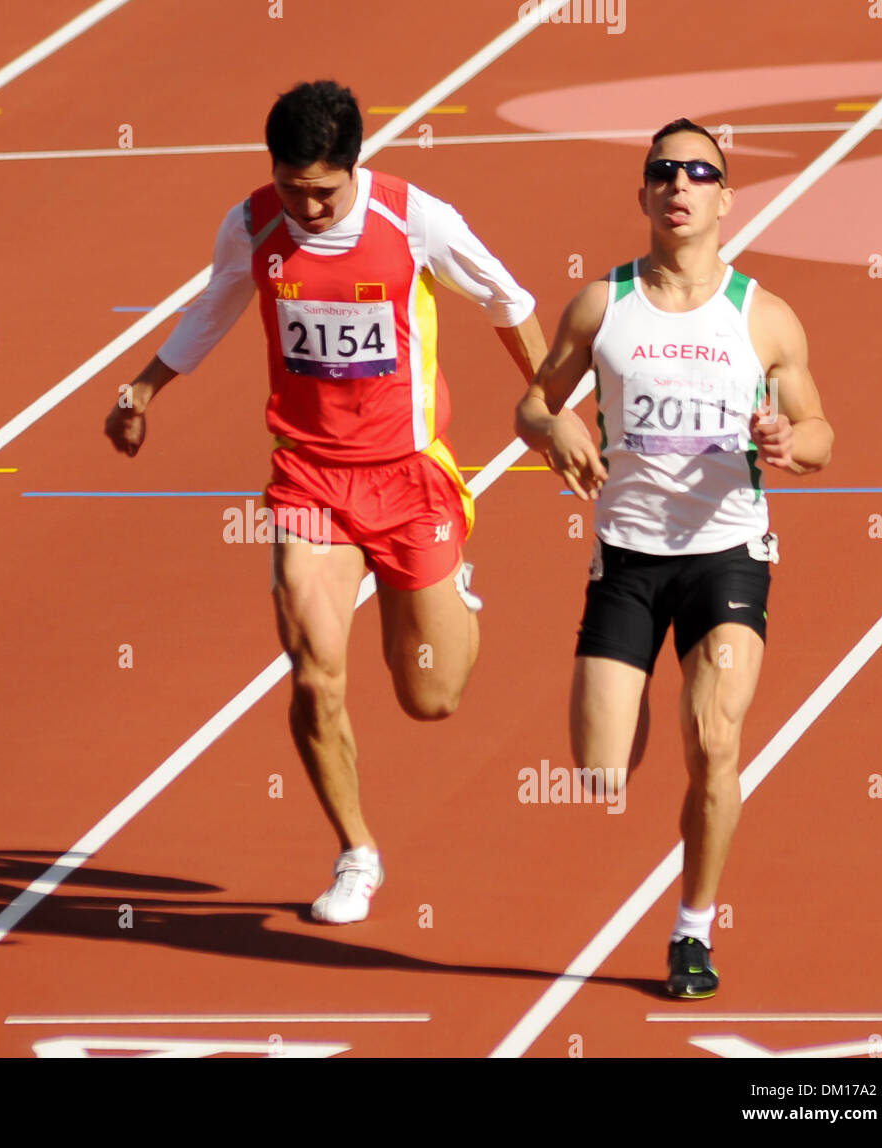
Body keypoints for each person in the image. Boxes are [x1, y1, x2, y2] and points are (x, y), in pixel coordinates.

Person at [104, 80, 546, 924]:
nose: (305, 206)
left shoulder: (416, 220)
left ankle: (451, 591)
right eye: (290, 184)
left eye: (323, 191)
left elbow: (509, 303)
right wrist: (144, 388)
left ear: (356, 169)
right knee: (314, 669)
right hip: (309, 477)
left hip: (410, 478)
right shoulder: (253, 222)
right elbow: (215, 305)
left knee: (432, 696)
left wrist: (553, 414)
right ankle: (355, 851)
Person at [515, 117, 833, 996]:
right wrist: (558, 425)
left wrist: (788, 439)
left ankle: (693, 931)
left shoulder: (762, 317)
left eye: (700, 172)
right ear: (645, 193)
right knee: (598, 773)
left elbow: (822, 433)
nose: (681, 185)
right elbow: (532, 406)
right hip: (627, 558)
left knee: (716, 740)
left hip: (727, 554)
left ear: (726, 198)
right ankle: (638, 680)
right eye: (665, 171)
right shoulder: (600, 304)